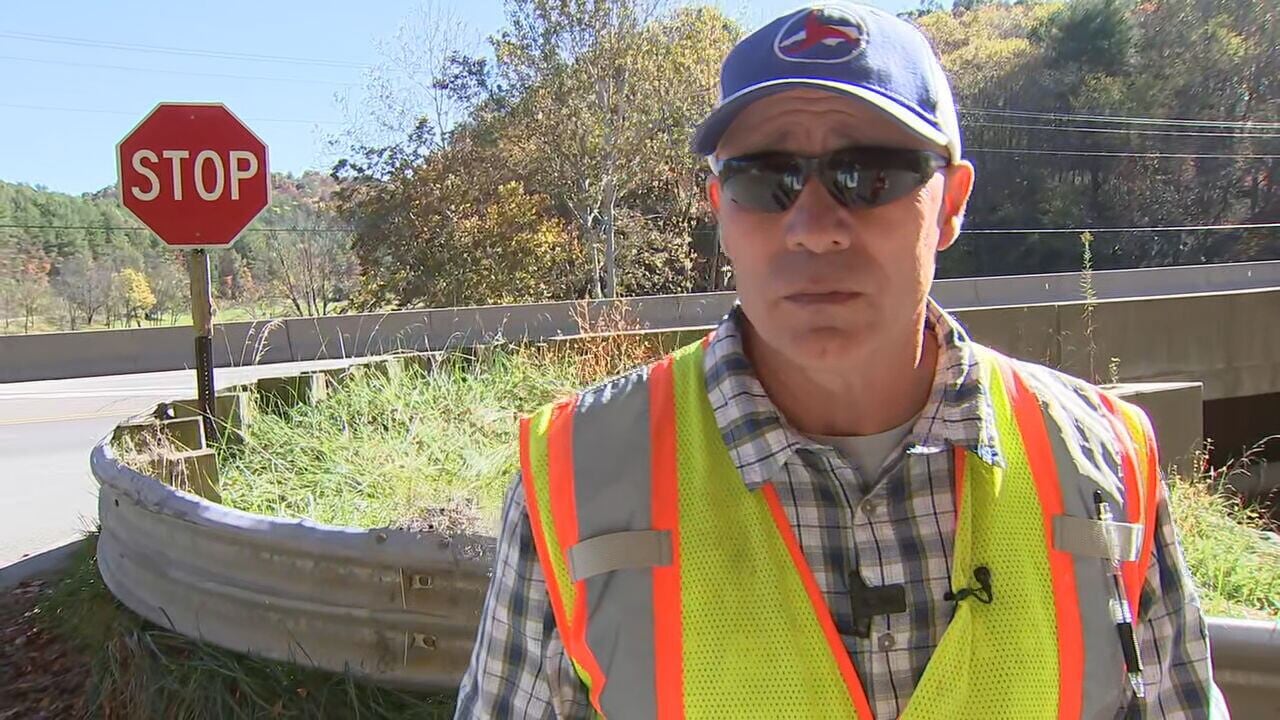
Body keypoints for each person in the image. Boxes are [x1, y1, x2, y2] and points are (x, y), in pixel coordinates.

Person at [455, 3, 1228, 718]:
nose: (814, 226)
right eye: (767, 179)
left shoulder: (1104, 462)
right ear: (720, 209)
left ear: (952, 203)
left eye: (871, 176)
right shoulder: (576, 476)